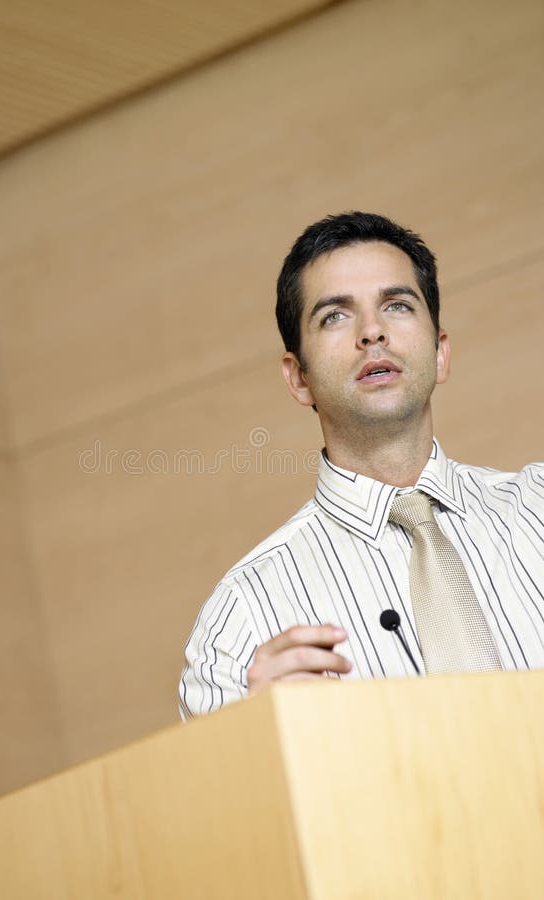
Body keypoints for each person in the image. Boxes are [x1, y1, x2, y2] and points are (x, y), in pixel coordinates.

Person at [179, 211, 544, 719]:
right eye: (335, 315)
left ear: (440, 353)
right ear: (298, 378)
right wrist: (257, 735)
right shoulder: (246, 617)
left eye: (396, 305)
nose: (372, 332)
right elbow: (217, 796)